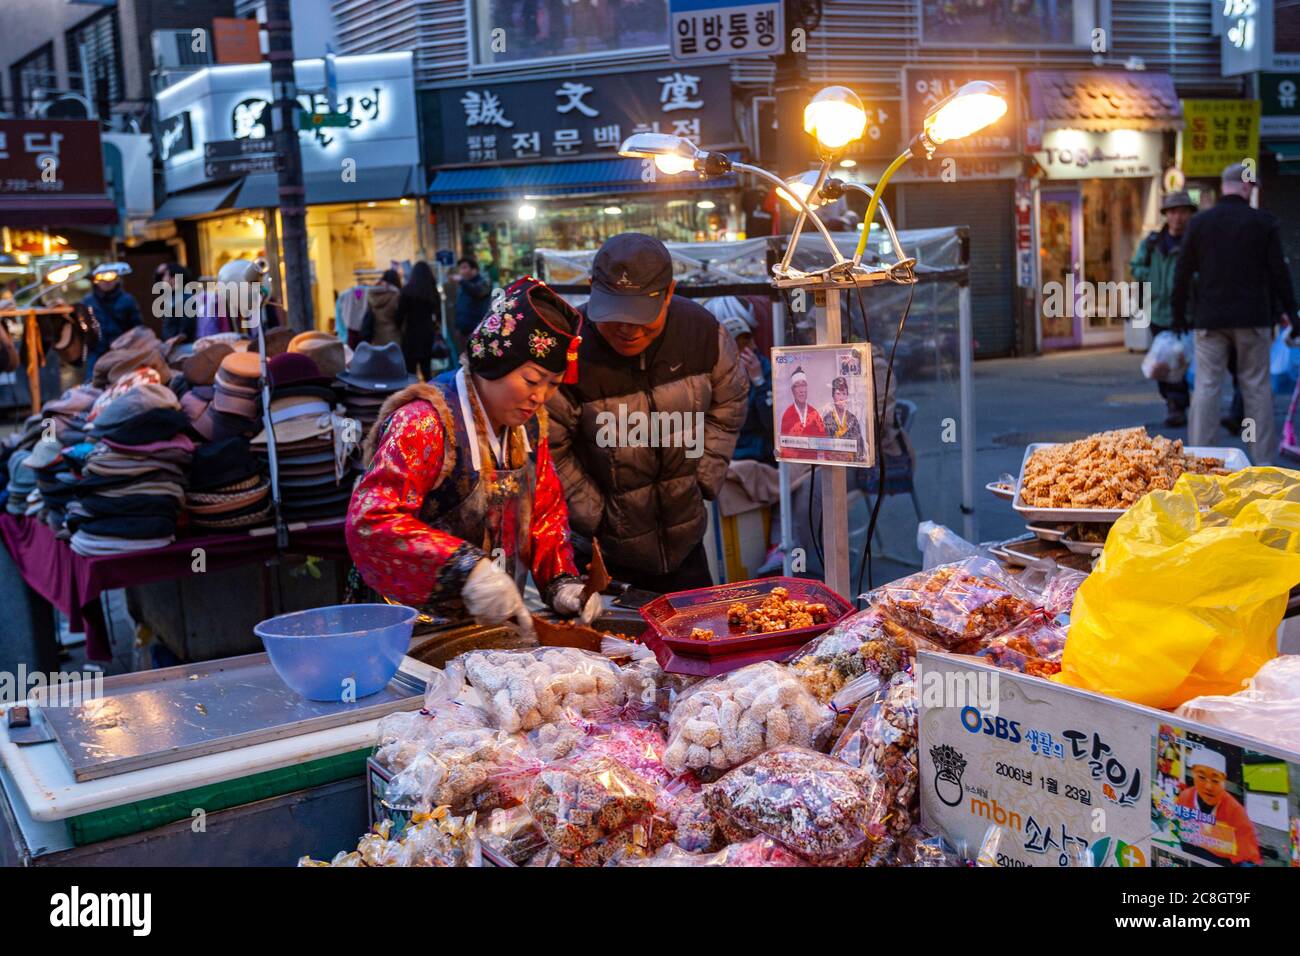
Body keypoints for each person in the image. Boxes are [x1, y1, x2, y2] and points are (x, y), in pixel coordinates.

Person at [346, 275, 600, 631]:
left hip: (487, 626)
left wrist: (562, 581)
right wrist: (465, 568)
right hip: (404, 629)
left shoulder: (530, 427)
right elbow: (371, 522)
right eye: (530, 379)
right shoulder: (424, 421)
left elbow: (544, 511)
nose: (540, 396)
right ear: (495, 360)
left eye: (552, 384)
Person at [547, 233, 749, 593]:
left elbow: (730, 401)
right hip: (600, 555)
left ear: (669, 293)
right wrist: (596, 515)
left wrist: (702, 476)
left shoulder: (703, 333)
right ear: (592, 289)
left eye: (641, 315)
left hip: (685, 544)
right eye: (615, 314)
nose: (628, 329)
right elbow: (550, 447)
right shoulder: (569, 349)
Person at [1174, 163, 1298, 463]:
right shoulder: (1263, 223)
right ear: (1246, 187)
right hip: (1253, 319)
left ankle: (1201, 460)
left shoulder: (1200, 223)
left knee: (1206, 387)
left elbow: (1183, 272)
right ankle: (1262, 463)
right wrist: (1292, 316)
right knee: (1256, 389)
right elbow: (1278, 273)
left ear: (1224, 185)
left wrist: (1179, 316)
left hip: (1210, 319)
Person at [1131, 191, 1197, 427]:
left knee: (1180, 359)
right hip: (1157, 310)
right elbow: (1136, 266)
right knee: (1161, 361)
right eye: (1173, 212)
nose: (1177, 217)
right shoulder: (1152, 243)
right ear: (1166, 215)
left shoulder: (1194, 241)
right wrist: (1153, 278)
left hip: (1186, 312)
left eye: (1182, 212)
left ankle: (1177, 404)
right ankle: (1172, 401)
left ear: (1189, 214)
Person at [709, 297, 774, 463]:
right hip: (728, 455)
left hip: (758, 457)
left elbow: (773, 423)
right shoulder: (716, 375)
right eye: (738, 345)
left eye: (747, 341)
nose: (745, 350)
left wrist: (759, 381)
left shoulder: (765, 369)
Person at [1174, 746, 1262, 866]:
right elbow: (1177, 829)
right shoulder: (1185, 797)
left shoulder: (1236, 812)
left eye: (1215, 781)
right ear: (1193, 773)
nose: (1208, 786)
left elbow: (1249, 859)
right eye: (1201, 777)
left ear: (1223, 780)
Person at [82, 262, 141, 382]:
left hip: (122, 352)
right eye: (101, 277)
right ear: (95, 280)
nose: (106, 281)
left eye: (111, 276)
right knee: (91, 384)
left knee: (123, 383)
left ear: (117, 279)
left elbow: (137, 327)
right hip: (96, 352)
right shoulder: (87, 301)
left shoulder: (127, 300)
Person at [399, 261, 442, 380]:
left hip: (410, 335)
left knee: (410, 372)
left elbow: (400, 314)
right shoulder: (432, 291)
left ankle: (411, 396)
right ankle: (429, 395)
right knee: (427, 370)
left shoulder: (407, 291)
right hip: (427, 334)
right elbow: (438, 315)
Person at [779, 366, 827, 444]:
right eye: (797, 386)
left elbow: (823, 441)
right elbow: (784, 445)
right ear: (792, 390)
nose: (801, 390)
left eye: (803, 385)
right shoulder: (787, 415)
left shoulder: (814, 413)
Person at [453, 256, 492, 354]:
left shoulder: (483, 282)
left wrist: (462, 282)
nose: (461, 271)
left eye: (464, 267)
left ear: (474, 269)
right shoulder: (464, 285)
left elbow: (477, 292)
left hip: (477, 330)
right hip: (463, 330)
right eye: (460, 268)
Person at [822, 376, 865, 462]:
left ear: (847, 396)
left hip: (851, 464)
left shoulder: (853, 419)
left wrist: (854, 460)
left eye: (844, 394)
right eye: (838, 394)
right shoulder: (827, 419)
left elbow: (859, 445)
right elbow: (824, 447)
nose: (841, 398)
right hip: (833, 463)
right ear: (833, 396)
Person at [363, 269, 402, 347]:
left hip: (376, 336)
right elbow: (400, 315)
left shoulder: (372, 294)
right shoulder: (397, 295)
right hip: (394, 335)